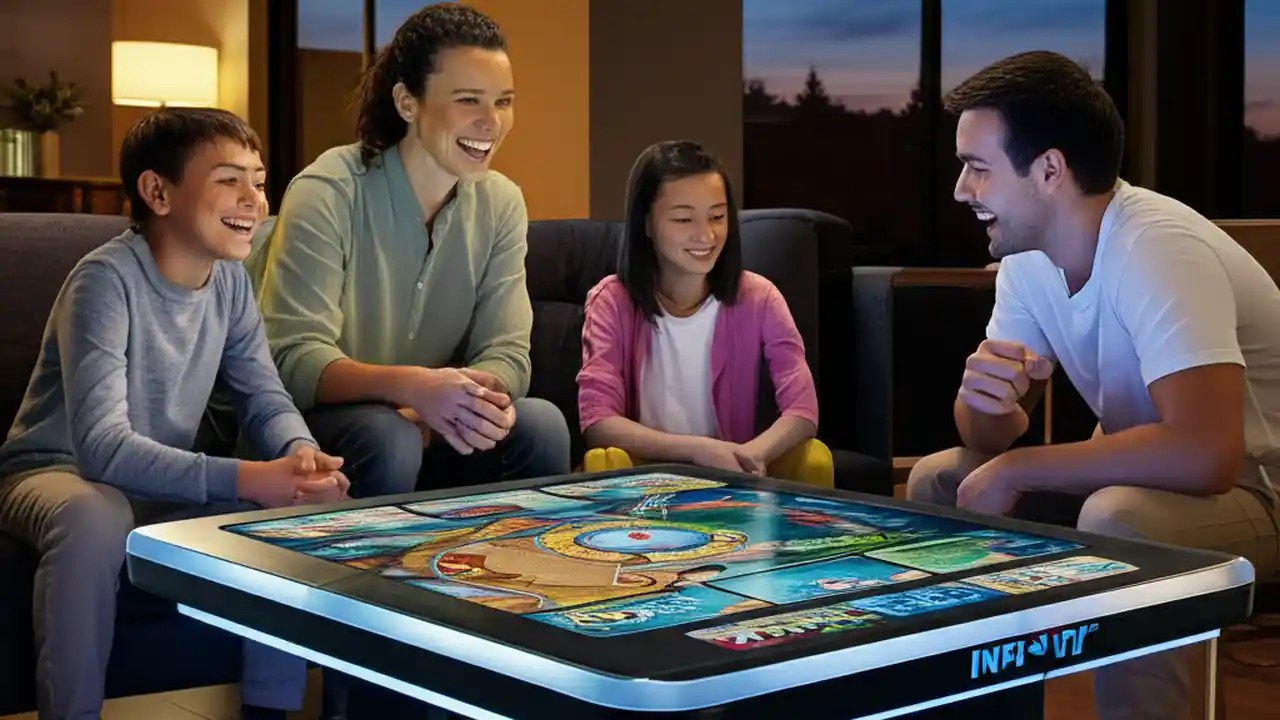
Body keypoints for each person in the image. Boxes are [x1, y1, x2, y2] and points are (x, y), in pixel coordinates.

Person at [907, 50, 1280, 720]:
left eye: (978, 168)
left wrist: (1020, 463)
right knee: (939, 481)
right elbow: (989, 438)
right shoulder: (1027, 260)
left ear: (1049, 170)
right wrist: (984, 405)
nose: (962, 189)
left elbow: (1207, 453)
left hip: (1261, 490)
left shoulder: (1157, 247)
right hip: (1157, 475)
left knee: (1121, 519)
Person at [0, 108, 350, 720]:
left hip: (152, 481)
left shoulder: (231, 283)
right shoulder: (104, 282)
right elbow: (102, 449)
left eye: (259, 179)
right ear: (157, 192)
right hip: (55, 471)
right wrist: (245, 476)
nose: (252, 199)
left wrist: (299, 453)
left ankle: (271, 710)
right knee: (94, 513)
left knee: (300, 505)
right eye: (227, 180)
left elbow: (264, 395)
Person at [246, 2, 570, 501]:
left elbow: (508, 353)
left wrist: (467, 399)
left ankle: (505, 575)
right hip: (313, 426)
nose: (492, 122)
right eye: (468, 101)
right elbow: (293, 358)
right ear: (407, 102)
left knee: (541, 424)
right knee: (389, 437)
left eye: (503, 101)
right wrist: (415, 389)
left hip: (432, 421)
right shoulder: (329, 188)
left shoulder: (502, 202)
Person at [576, 140, 819, 476]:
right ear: (646, 223)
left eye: (717, 217)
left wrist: (747, 457)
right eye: (683, 219)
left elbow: (802, 409)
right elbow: (598, 421)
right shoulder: (612, 301)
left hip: (734, 480)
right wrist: (699, 451)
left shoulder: (760, 298)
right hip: (641, 483)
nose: (705, 235)